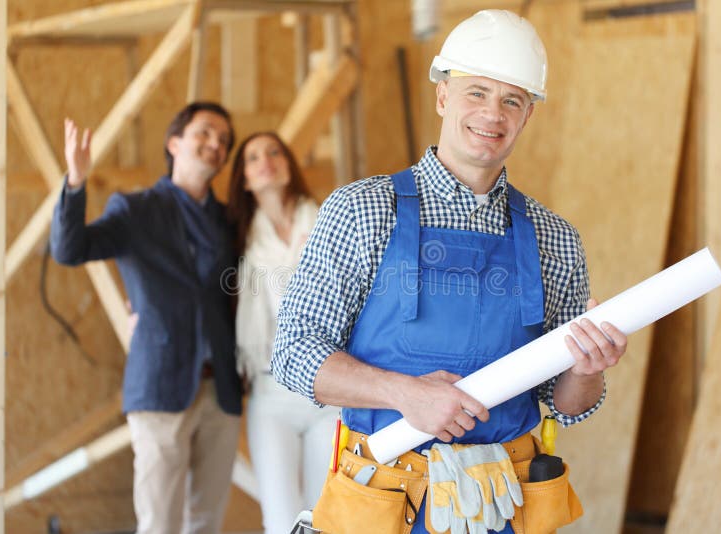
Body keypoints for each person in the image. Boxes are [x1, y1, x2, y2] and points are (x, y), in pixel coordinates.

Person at [273, 9, 627, 534]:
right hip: (385, 502)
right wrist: (404, 394)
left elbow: (567, 404)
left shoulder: (555, 239)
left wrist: (590, 367)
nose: (494, 113)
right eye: (477, 92)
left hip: (503, 507)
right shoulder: (363, 210)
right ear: (442, 96)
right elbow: (294, 353)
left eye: (513, 100)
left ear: (528, 115)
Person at [51, 102, 243, 534]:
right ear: (174, 143)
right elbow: (70, 249)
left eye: (224, 141)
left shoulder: (230, 220)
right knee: (158, 523)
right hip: (159, 385)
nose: (216, 144)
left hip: (222, 390)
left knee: (206, 523)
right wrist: (76, 181)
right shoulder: (135, 210)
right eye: (206, 133)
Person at [226, 132, 340, 534]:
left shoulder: (329, 222)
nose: (266, 161)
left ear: (289, 164)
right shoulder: (239, 241)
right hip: (272, 393)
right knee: (280, 519)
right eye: (253, 157)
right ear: (244, 179)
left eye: (274, 152)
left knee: (325, 514)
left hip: (328, 388)